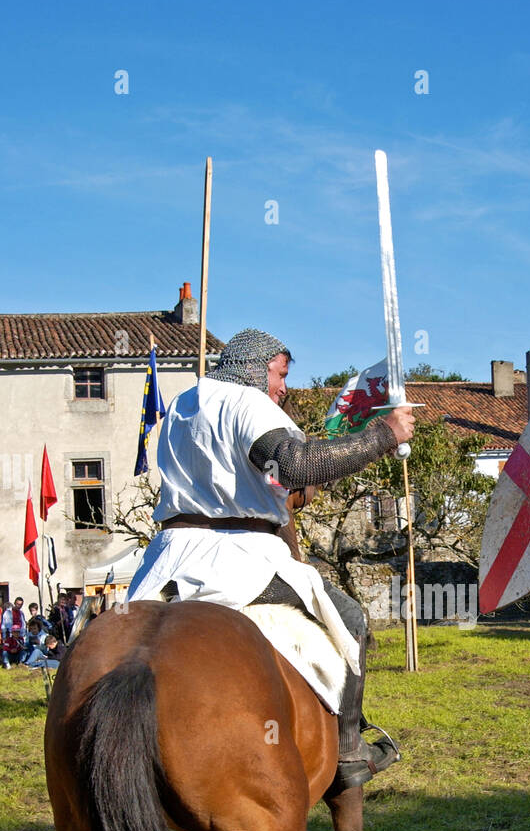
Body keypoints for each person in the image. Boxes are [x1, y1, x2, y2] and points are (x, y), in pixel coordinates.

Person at [127, 328, 415, 789]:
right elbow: (295, 463)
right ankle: (348, 752)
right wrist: (384, 434)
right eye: (281, 374)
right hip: (237, 558)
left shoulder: (182, 403)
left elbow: (269, 480)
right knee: (351, 617)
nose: (283, 387)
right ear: (256, 366)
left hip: (168, 559)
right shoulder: (247, 402)